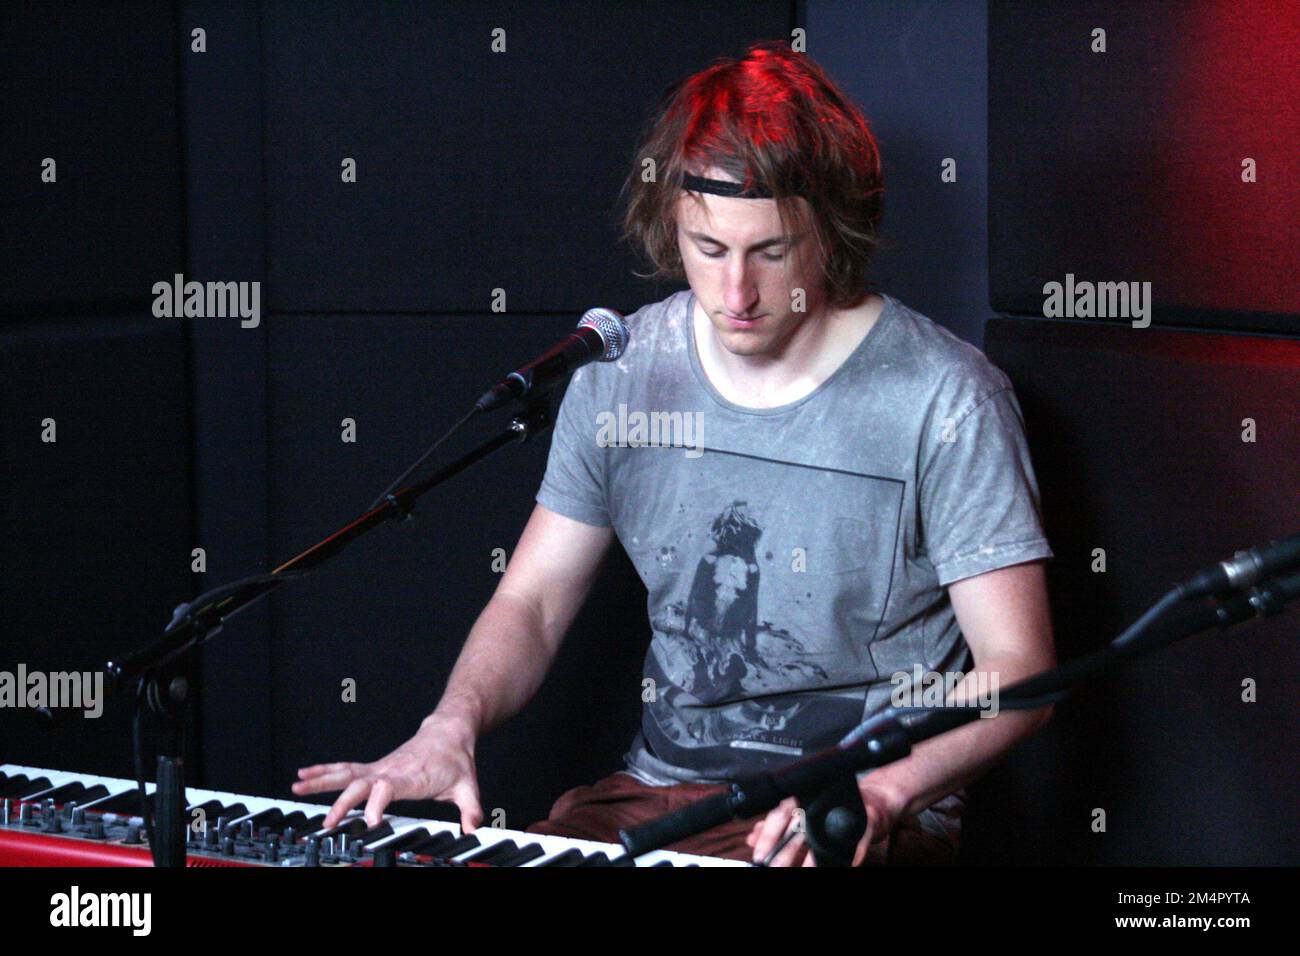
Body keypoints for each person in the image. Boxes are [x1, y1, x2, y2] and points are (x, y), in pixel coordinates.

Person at [293, 41, 1056, 867]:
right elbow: (535, 602)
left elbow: (1019, 670)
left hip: (858, 815)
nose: (737, 295)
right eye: (709, 249)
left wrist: (883, 788)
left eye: (771, 251)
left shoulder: (947, 399)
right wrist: (452, 723)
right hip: (660, 801)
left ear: (832, 234)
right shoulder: (621, 372)